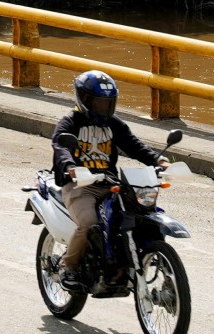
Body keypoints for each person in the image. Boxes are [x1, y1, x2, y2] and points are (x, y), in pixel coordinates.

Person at [51, 70, 161, 281]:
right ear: (84, 100)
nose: (103, 107)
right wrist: (70, 167)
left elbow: (134, 145)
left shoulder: (114, 124)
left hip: (110, 184)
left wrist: (158, 160)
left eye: (107, 103)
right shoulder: (70, 123)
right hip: (80, 185)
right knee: (90, 223)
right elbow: (60, 146)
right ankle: (69, 267)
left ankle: (133, 259)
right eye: (98, 102)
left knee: (141, 216)